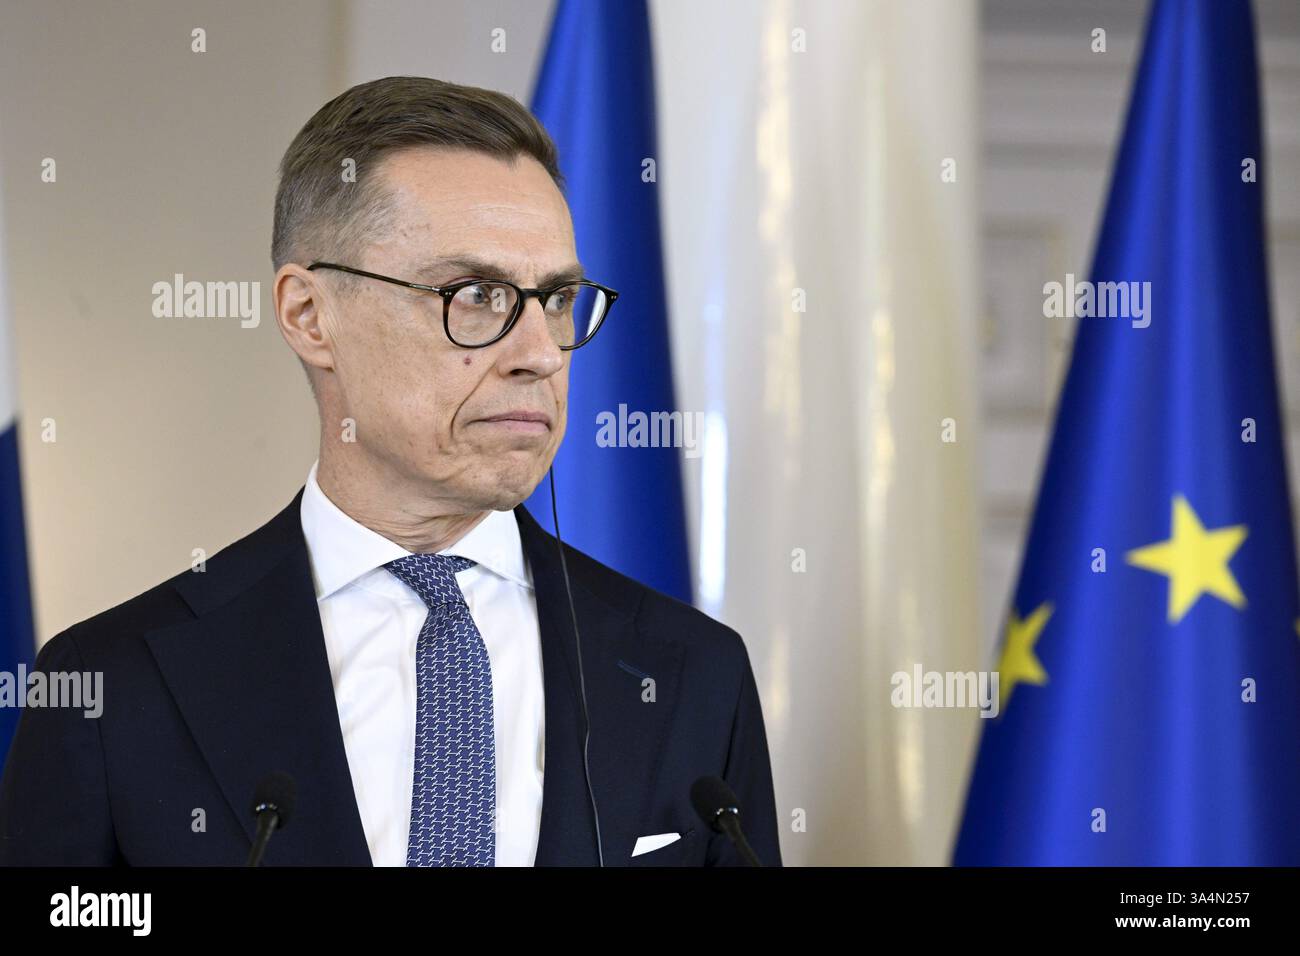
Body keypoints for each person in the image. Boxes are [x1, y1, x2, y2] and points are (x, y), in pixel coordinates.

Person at [0, 76, 781, 867]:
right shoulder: (111, 683)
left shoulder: (694, 674)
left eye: (557, 298)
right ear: (310, 315)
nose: (541, 352)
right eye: (476, 294)